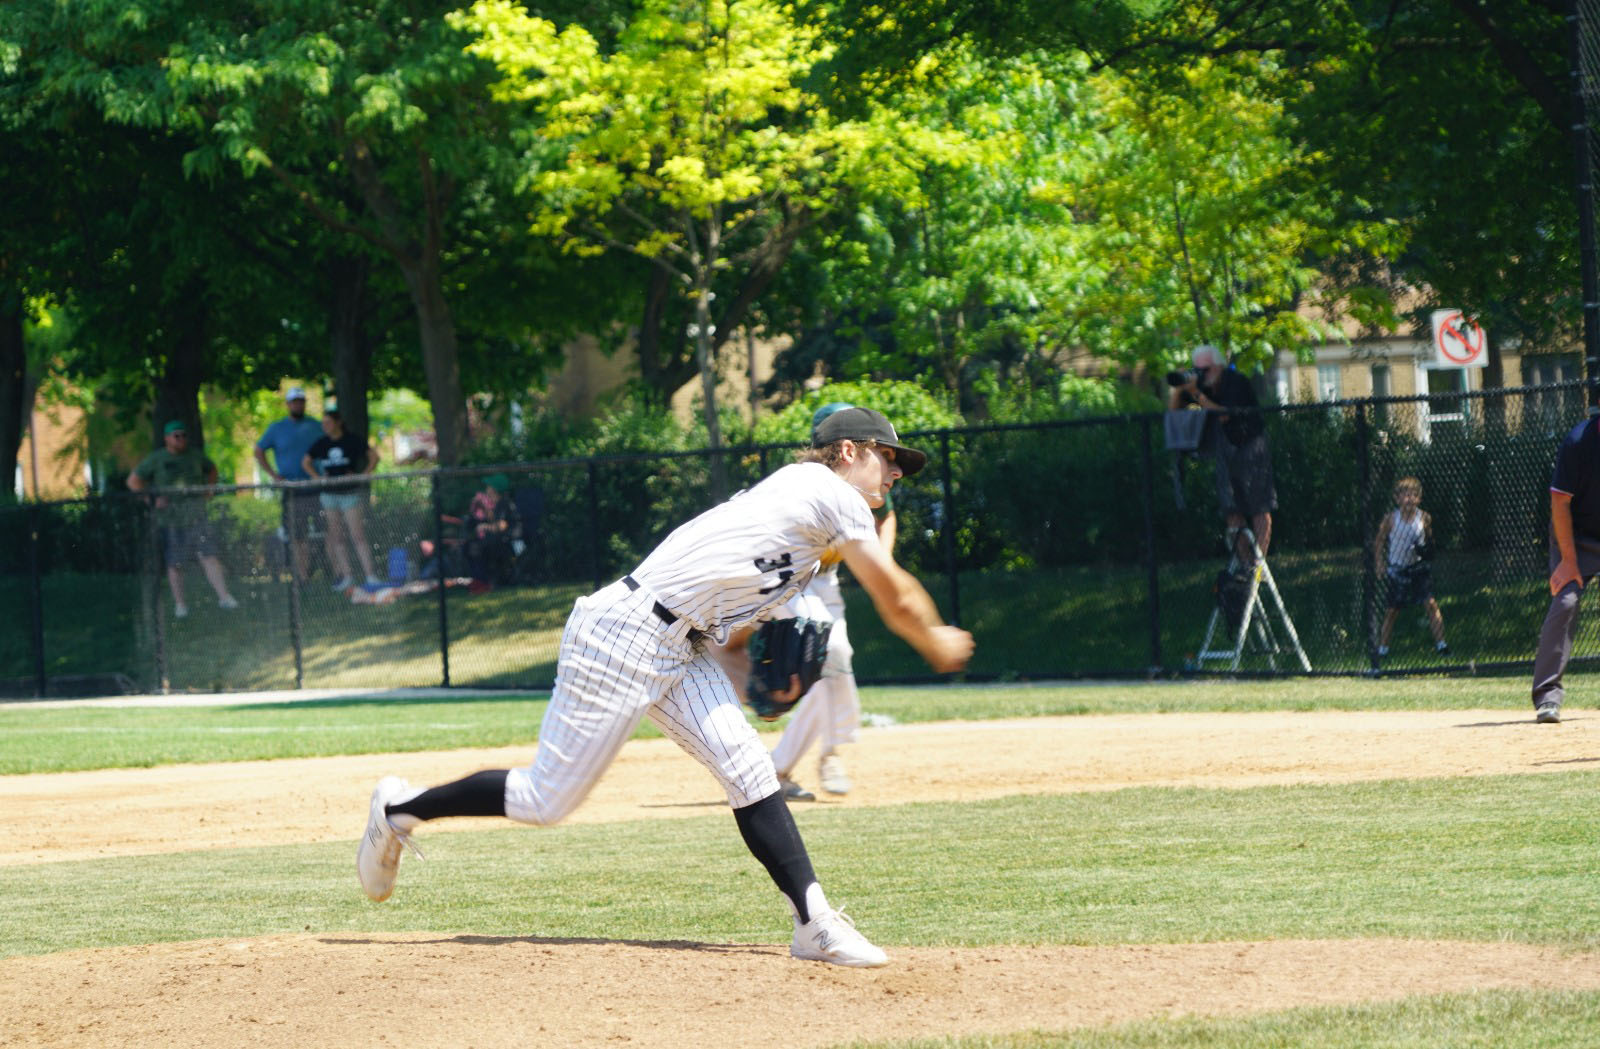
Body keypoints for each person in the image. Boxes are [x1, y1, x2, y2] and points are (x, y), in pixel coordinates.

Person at [356, 406, 974, 968]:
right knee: (548, 799)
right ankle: (398, 809)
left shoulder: (805, 554)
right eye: (887, 457)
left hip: (684, 645)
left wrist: (763, 693)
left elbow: (731, 643)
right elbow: (892, 592)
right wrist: (934, 638)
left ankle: (814, 923)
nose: (894, 474)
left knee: (750, 769)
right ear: (846, 451)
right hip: (622, 632)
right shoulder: (822, 488)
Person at [770, 402, 896, 801]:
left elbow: (886, 515)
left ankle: (782, 768)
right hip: (791, 583)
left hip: (826, 583)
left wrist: (883, 560)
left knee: (830, 670)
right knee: (834, 652)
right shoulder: (810, 483)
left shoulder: (861, 482)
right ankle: (831, 750)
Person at [1168, 344, 1276, 564]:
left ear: (1218, 366)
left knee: (1258, 507)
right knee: (1231, 509)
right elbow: (1173, 412)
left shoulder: (1236, 382)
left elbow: (1224, 414)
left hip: (1251, 446)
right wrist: (1180, 388)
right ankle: (1245, 565)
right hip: (1226, 451)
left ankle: (1260, 565)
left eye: (1205, 369)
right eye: (1197, 369)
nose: (1201, 374)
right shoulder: (1201, 385)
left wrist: (1196, 393)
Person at [126, 420, 240, 619]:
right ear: (167, 439)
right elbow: (133, 481)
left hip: (197, 516)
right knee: (175, 563)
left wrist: (209, 490)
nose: (181, 439)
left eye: (183, 435)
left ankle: (224, 597)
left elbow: (212, 469)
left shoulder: (195, 456)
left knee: (209, 556)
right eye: (176, 436)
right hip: (171, 521)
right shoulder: (157, 459)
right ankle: (181, 606)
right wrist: (150, 500)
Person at [1529, 414, 1600, 724]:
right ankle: (1547, 697)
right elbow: (1559, 503)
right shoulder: (1578, 442)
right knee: (1566, 600)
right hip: (1576, 537)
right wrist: (1569, 562)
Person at [301, 407, 382, 591]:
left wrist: (363, 475)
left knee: (357, 535)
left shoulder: (352, 441)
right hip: (330, 495)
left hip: (349, 494)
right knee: (337, 537)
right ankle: (347, 577)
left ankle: (370, 576)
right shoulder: (321, 443)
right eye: (323, 424)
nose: (325, 426)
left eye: (328, 422)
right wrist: (318, 478)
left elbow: (374, 457)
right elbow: (305, 462)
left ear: (338, 423)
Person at [253, 386, 325, 580]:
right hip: (292, 489)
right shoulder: (277, 428)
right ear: (288, 404)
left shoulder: (316, 426)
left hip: (316, 487)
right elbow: (259, 450)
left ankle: (332, 573)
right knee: (297, 535)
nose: (298, 404)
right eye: (294, 401)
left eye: (301, 401)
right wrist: (273, 475)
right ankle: (302, 576)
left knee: (325, 531)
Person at [1373, 476, 1448, 660]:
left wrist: (1427, 550)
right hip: (1397, 569)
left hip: (1418, 568)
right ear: (1397, 498)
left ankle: (1442, 645)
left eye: (1413, 495)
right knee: (1392, 610)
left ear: (1418, 498)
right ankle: (1383, 649)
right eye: (1405, 495)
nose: (1409, 499)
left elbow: (1430, 541)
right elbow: (1379, 540)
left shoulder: (1424, 518)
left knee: (1430, 604)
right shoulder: (1391, 519)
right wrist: (1380, 564)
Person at [462, 473, 522, 587]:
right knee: (469, 545)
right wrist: (483, 508)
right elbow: (492, 520)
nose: (486, 489)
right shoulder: (496, 505)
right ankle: (479, 581)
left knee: (478, 547)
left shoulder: (505, 504)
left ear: (495, 489)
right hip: (498, 541)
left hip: (510, 543)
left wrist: (484, 527)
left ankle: (483, 581)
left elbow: (501, 526)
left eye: (489, 486)